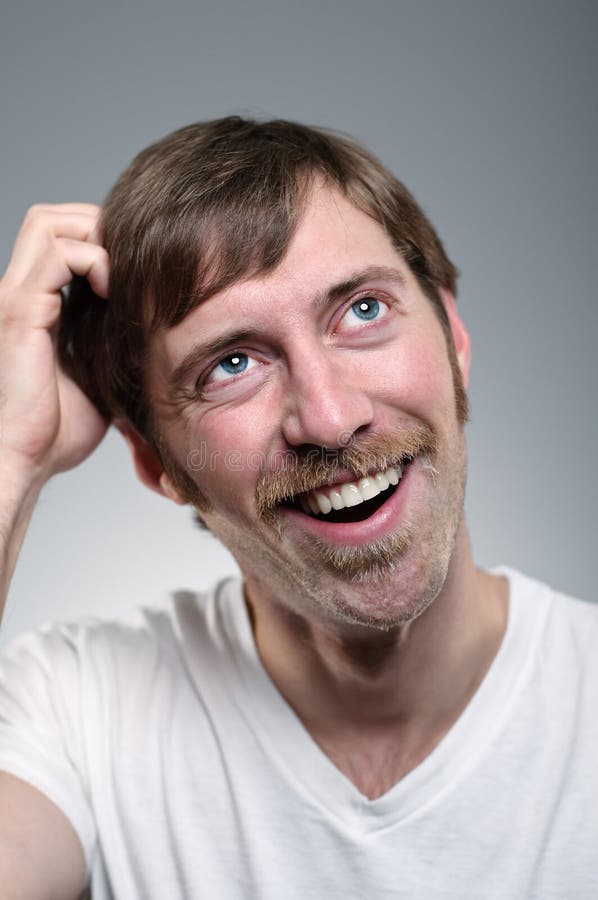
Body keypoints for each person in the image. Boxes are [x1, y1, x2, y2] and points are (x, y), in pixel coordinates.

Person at [0, 117, 596, 900]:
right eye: (233, 364)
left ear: (452, 337)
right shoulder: (76, 712)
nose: (329, 416)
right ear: (157, 463)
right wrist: (10, 455)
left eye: (362, 311)